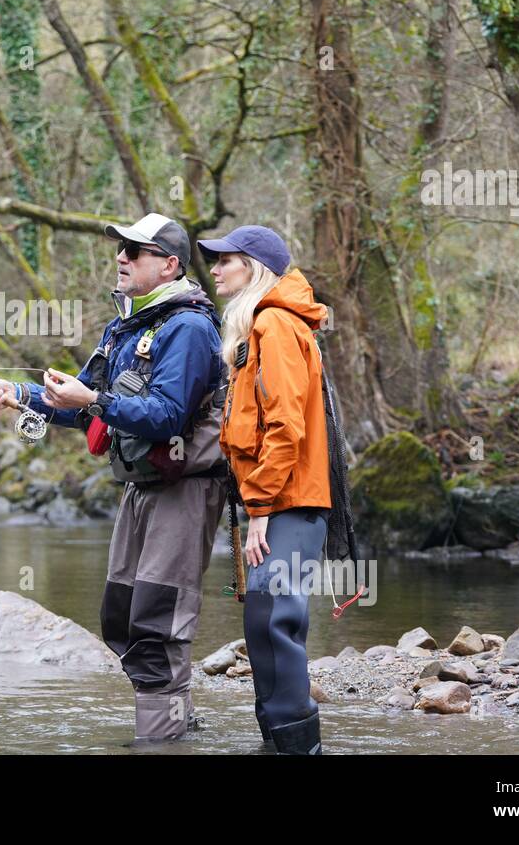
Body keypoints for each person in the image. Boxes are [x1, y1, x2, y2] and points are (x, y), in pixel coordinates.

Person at [0, 212, 227, 746]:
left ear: (170, 265)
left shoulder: (192, 328)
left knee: (156, 624)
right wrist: (17, 394)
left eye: (135, 251)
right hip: (139, 486)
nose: (121, 258)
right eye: (120, 249)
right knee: (120, 616)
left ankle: (160, 741)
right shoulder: (127, 326)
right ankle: (181, 727)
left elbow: (168, 415)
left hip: (185, 486)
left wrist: (97, 401)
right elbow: (79, 403)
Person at [197, 224, 330, 755]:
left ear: (252, 266)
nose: (215, 269)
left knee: (276, 621)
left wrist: (261, 509)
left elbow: (285, 427)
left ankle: (299, 747)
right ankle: (276, 743)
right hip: (280, 501)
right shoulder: (262, 325)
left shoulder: (275, 324)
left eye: (224, 260)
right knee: (262, 623)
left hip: (289, 502)